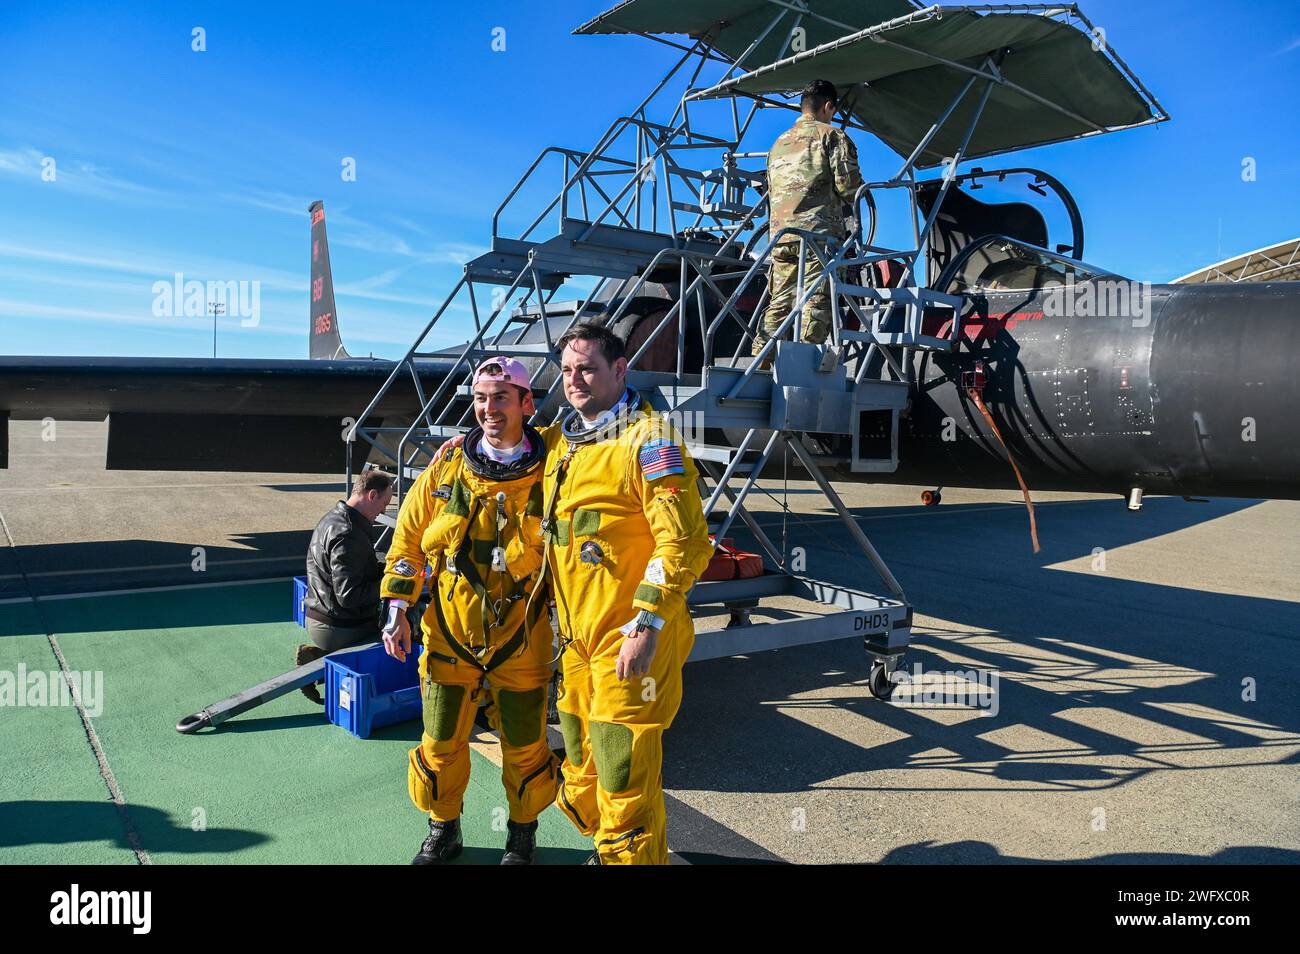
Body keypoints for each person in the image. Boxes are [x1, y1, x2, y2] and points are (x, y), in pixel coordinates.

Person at [543, 323, 713, 864]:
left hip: (627, 642)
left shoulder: (650, 439)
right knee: (582, 771)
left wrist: (647, 623)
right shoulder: (562, 444)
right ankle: (609, 851)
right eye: (567, 370)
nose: (574, 380)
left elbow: (684, 540)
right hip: (576, 646)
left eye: (587, 368)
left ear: (620, 370)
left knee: (623, 777)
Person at [380, 358, 558, 866]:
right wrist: (397, 609)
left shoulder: (556, 463)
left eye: (500, 397)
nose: (487, 409)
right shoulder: (447, 466)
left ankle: (522, 835)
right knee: (439, 744)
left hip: (522, 635)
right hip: (449, 634)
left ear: (526, 403)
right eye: (480, 399)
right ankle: (444, 829)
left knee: (525, 748)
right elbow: (409, 542)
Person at [754, 78, 865, 359]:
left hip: (781, 237)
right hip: (818, 237)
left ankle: (760, 360)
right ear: (828, 106)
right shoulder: (832, 136)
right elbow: (850, 189)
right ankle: (803, 363)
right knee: (817, 299)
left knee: (779, 301)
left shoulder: (778, 143)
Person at [299, 468, 393, 701]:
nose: (383, 511)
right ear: (372, 495)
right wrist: (391, 583)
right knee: (400, 638)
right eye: (384, 503)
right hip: (338, 626)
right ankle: (322, 658)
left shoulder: (333, 518)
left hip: (320, 615)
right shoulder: (349, 533)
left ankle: (321, 655)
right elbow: (349, 595)